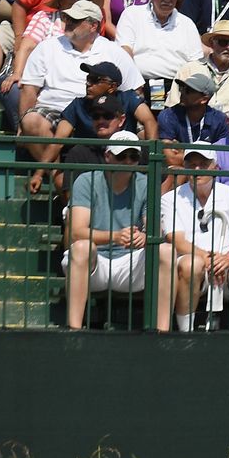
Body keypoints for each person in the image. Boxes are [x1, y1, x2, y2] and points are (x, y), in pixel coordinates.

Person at [65, 132, 160, 329]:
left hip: (131, 263)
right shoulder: (86, 181)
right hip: (95, 263)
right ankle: (73, 329)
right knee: (82, 248)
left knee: (165, 251)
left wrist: (144, 236)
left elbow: (154, 229)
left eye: (133, 157)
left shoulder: (146, 183)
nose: (128, 161)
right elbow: (76, 232)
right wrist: (115, 237)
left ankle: (162, 332)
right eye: (121, 156)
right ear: (107, 156)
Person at [160, 148, 229, 333]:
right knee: (191, 264)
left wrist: (227, 259)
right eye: (192, 164)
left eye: (203, 164)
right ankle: (186, 332)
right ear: (185, 167)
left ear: (215, 168)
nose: (197, 169)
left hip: (226, 264)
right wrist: (208, 258)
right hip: (190, 262)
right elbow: (176, 240)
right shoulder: (170, 198)